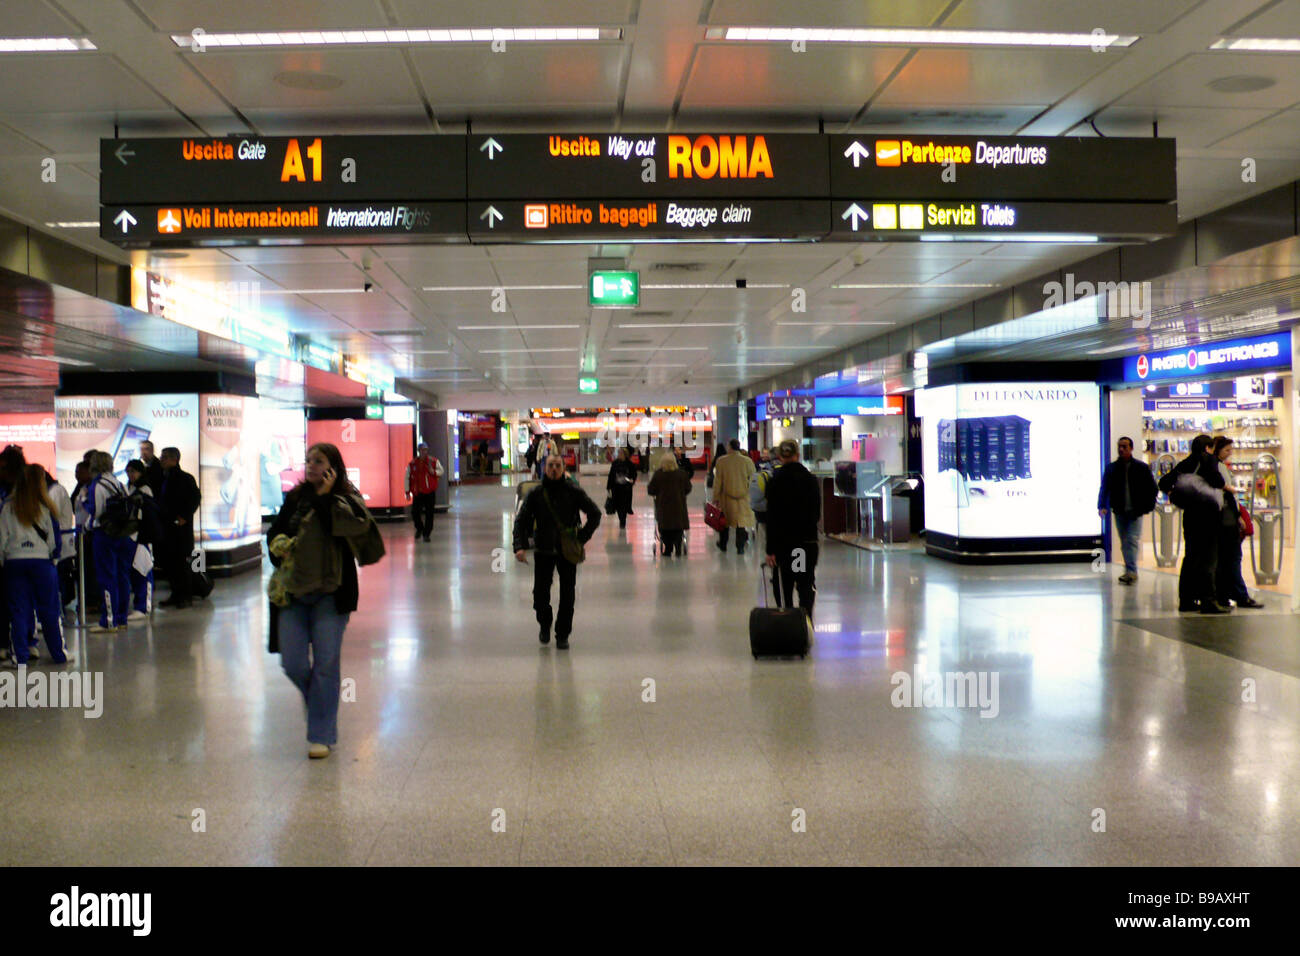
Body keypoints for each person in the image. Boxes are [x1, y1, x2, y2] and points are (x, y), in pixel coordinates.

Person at [267, 443, 376, 759]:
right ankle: (319, 703)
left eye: (319, 461)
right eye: (309, 460)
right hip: (293, 593)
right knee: (293, 662)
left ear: (334, 467)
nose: (311, 465)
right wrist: (277, 545)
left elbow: (354, 533)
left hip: (331, 594)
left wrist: (327, 498)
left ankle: (321, 734)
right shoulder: (296, 499)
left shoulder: (345, 500)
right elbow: (274, 532)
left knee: (326, 664)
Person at [512, 455, 601, 650]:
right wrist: (519, 546)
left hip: (567, 550)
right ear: (544, 468)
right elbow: (521, 521)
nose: (553, 469)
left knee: (568, 594)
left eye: (557, 466)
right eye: (550, 465)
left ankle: (562, 634)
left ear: (563, 468)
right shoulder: (536, 494)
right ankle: (545, 623)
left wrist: (581, 537)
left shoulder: (573, 491)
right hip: (544, 549)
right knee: (540, 595)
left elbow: (595, 513)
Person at [0, 463, 72, 667]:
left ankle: (18, 657)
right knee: (50, 610)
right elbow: (54, 542)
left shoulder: (7, 507)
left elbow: (1, 539)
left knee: (18, 611)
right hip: (42, 562)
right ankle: (59, 654)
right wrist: (53, 558)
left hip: (14, 563)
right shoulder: (46, 507)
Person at [1159, 434, 1227, 614]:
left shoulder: (1184, 464)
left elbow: (1163, 482)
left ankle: (1186, 600)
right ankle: (1208, 601)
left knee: (1190, 558)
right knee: (1208, 559)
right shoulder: (1208, 460)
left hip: (1190, 516)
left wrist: (1173, 494)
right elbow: (1218, 482)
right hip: (1208, 516)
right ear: (1207, 448)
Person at [764, 439, 822, 619]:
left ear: (780, 457)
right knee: (804, 583)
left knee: (784, 584)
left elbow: (771, 518)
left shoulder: (775, 481)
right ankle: (805, 621)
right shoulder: (810, 479)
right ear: (798, 455)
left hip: (783, 544)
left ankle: (788, 621)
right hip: (804, 543)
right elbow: (815, 514)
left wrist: (770, 550)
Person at [80, 451, 134, 632]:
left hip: (104, 534)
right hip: (122, 533)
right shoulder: (119, 483)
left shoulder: (96, 485)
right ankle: (121, 618)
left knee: (106, 576)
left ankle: (108, 620)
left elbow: (96, 512)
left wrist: (83, 501)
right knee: (122, 576)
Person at [1097, 436, 1158, 585]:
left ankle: (1131, 571)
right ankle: (1129, 569)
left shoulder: (1141, 468)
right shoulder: (1112, 468)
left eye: (1124, 446)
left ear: (1131, 448)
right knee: (1125, 541)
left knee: (1131, 540)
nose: (1121, 449)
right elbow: (1105, 487)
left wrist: (1148, 506)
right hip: (1120, 511)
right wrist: (1102, 505)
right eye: (1119, 446)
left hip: (1136, 511)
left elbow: (1152, 488)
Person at [1212, 437, 1264, 609]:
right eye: (1227, 450)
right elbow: (1228, 495)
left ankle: (1225, 595)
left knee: (1226, 559)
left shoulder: (1217, 467)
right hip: (1226, 521)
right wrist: (1237, 516)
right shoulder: (1217, 467)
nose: (1230, 453)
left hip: (1223, 520)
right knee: (1233, 558)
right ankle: (1240, 596)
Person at [157, 447, 201, 609]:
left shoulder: (185, 478)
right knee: (170, 563)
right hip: (167, 528)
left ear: (174, 459)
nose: (162, 460)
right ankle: (176, 594)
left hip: (180, 530)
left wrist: (184, 516)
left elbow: (195, 498)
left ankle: (185, 596)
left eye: (165, 458)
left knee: (182, 564)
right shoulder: (164, 479)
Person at [124, 459, 161, 620]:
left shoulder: (145, 490)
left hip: (142, 537)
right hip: (131, 536)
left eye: (134, 471)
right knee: (136, 569)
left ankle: (143, 606)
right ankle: (139, 603)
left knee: (143, 569)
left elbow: (148, 515)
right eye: (129, 472)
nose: (131, 475)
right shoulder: (129, 489)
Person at [712, 439, 756, 554]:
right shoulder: (747, 461)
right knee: (740, 523)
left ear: (730, 447)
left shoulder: (721, 461)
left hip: (726, 497)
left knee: (724, 522)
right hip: (743, 497)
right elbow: (753, 479)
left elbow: (718, 481)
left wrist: (716, 497)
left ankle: (723, 544)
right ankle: (740, 547)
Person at [647, 453, 691, 556]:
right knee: (678, 527)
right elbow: (688, 488)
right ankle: (678, 547)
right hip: (679, 506)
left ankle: (668, 548)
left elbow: (651, 490)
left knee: (665, 528)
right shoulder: (681, 474)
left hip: (663, 507)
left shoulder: (658, 474)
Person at [404, 442, 444, 542]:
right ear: (418, 451)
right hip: (418, 492)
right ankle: (419, 528)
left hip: (429, 492)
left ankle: (427, 534)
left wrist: (433, 472)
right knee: (415, 512)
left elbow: (441, 471)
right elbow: (407, 478)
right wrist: (407, 491)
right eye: (422, 450)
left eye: (425, 450)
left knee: (429, 513)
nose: (424, 452)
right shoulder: (413, 463)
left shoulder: (433, 461)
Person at [606, 447, 638, 529]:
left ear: (625, 455)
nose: (619, 455)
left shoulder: (630, 464)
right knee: (618, 505)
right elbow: (611, 475)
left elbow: (634, 474)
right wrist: (608, 487)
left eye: (620, 453)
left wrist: (632, 480)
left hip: (626, 489)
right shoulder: (615, 463)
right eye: (619, 453)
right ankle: (621, 519)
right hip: (616, 489)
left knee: (624, 506)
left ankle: (622, 520)